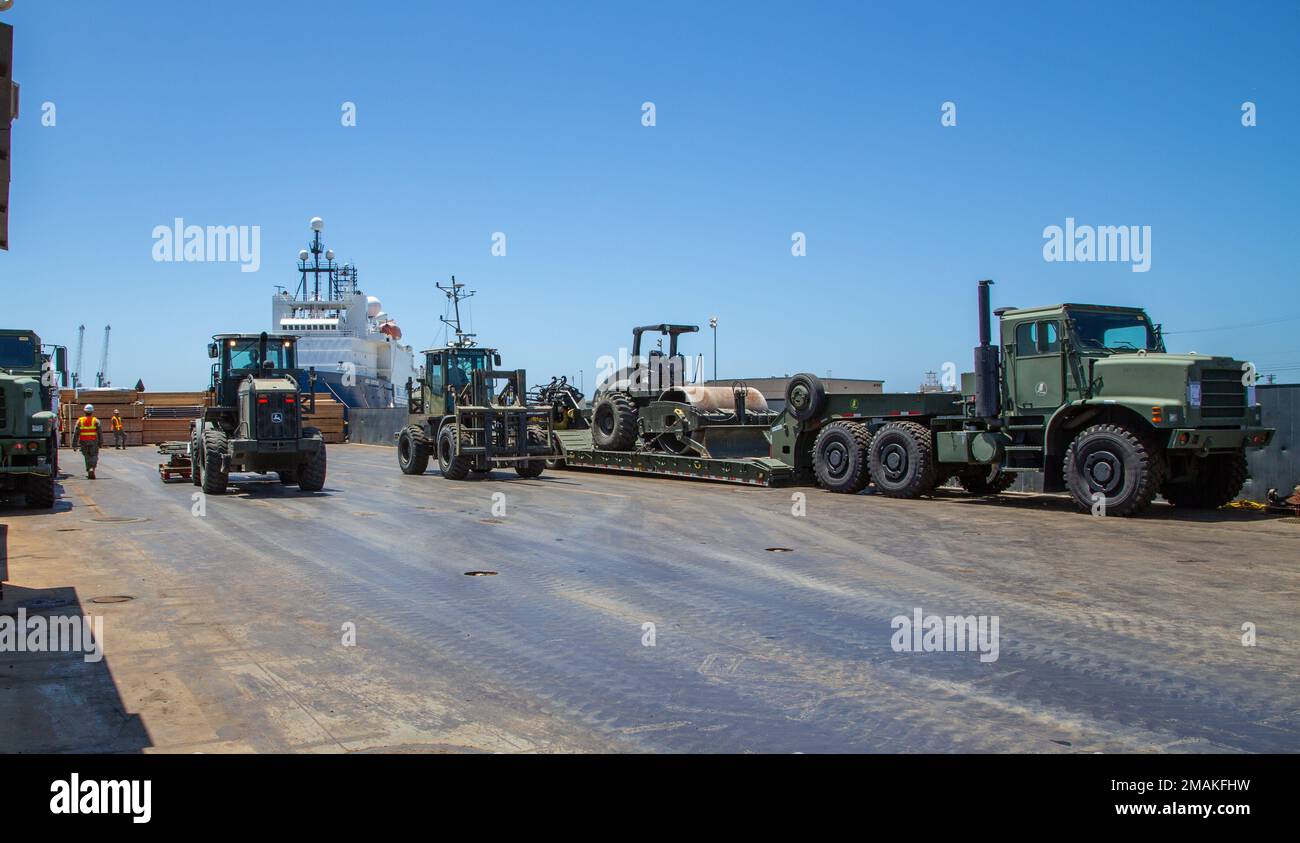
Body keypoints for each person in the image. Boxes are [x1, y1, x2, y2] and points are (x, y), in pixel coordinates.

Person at [74, 404, 103, 479]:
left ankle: (89, 469)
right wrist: (101, 442)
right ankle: (92, 468)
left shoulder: (80, 420)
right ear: (92, 411)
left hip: (83, 441)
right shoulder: (96, 420)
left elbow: (76, 433)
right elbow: (100, 432)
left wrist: (74, 445)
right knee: (94, 455)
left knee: (86, 456)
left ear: (84, 411)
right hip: (93, 441)